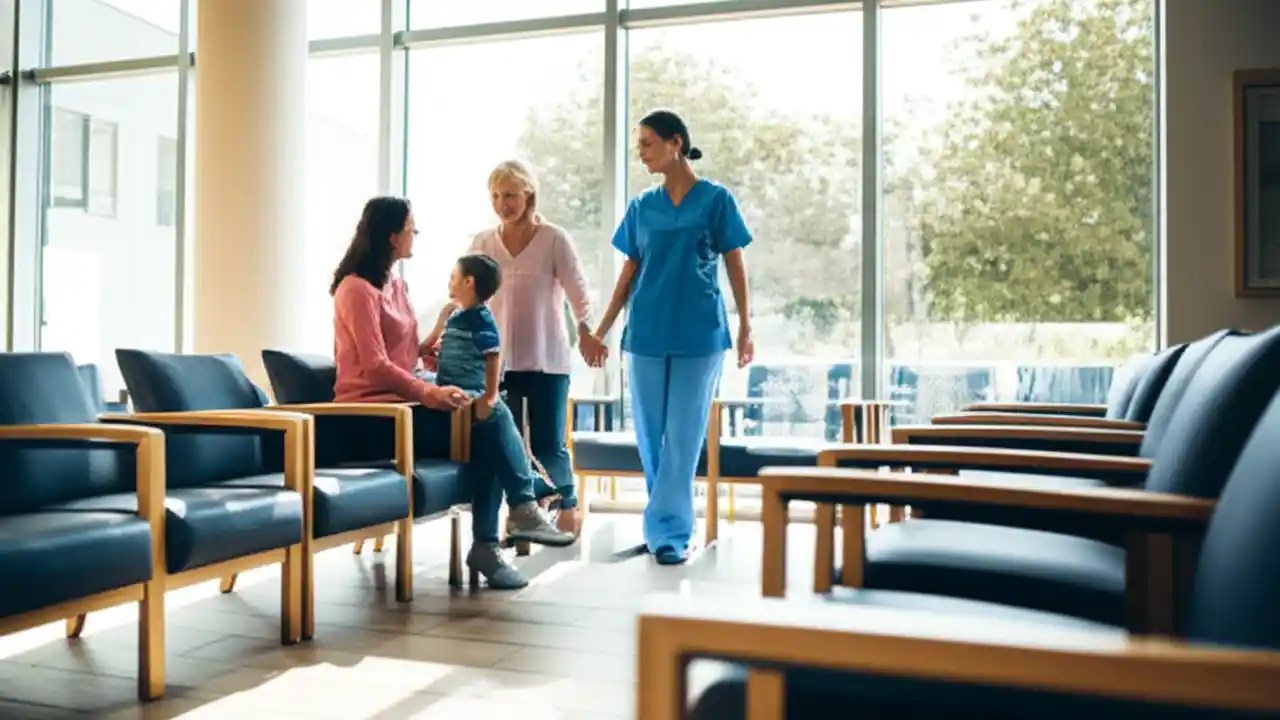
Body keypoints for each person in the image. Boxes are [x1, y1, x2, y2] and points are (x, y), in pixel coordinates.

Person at [331, 196, 572, 591]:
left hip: (405, 406)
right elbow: (374, 365)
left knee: (485, 419)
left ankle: (495, 537)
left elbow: (403, 357)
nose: (415, 235)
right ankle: (517, 514)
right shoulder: (355, 290)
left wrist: (433, 356)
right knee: (489, 419)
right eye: (411, 228)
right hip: (372, 419)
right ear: (392, 236)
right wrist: (428, 391)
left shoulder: (396, 285)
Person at [592, 110, 754, 566]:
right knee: (649, 435)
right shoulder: (643, 207)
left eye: (646, 143)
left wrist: (745, 325)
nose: (640, 153)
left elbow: (734, 263)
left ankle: (670, 534)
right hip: (644, 333)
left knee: (682, 436)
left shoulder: (716, 200)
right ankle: (664, 523)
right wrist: (602, 330)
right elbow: (629, 272)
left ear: (675, 143)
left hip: (700, 333)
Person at [461, 159, 606, 537]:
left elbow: (579, 293)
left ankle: (569, 507)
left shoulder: (554, 239)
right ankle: (522, 516)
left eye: (510, 194)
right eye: (495, 195)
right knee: (507, 446)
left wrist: (588, 332)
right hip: (497, 362)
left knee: (547, 444)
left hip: (547, 359)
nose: (502, 203)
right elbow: (465, 297)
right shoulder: (482, 243)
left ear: (528, 194)